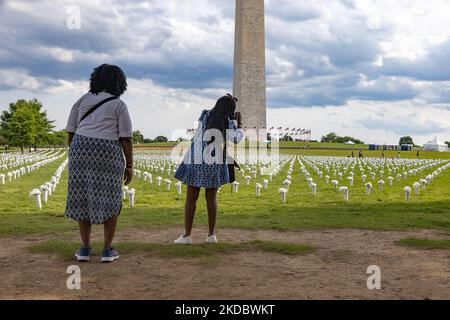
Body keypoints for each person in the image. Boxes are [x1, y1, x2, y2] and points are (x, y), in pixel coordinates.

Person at [65, 64, 133, 263]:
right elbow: (126, 138)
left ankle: (84, 248)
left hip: (80, 148)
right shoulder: (119, 105)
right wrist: (129, 165)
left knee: (82, 195)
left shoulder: (81, 101)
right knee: (111, 197)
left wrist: (76, 153)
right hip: (108, 150)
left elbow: (70, 131)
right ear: (119, 83)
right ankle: (107, 249)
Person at [173, 94, 243, 244]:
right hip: (214, 162)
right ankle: (211, 235)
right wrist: (239, 124)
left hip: (196, 160)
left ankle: (187, 235)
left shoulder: (205, 114)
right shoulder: (228, 122)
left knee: (191, 199)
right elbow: (236, 139)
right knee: (211, 199)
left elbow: (199, 133)